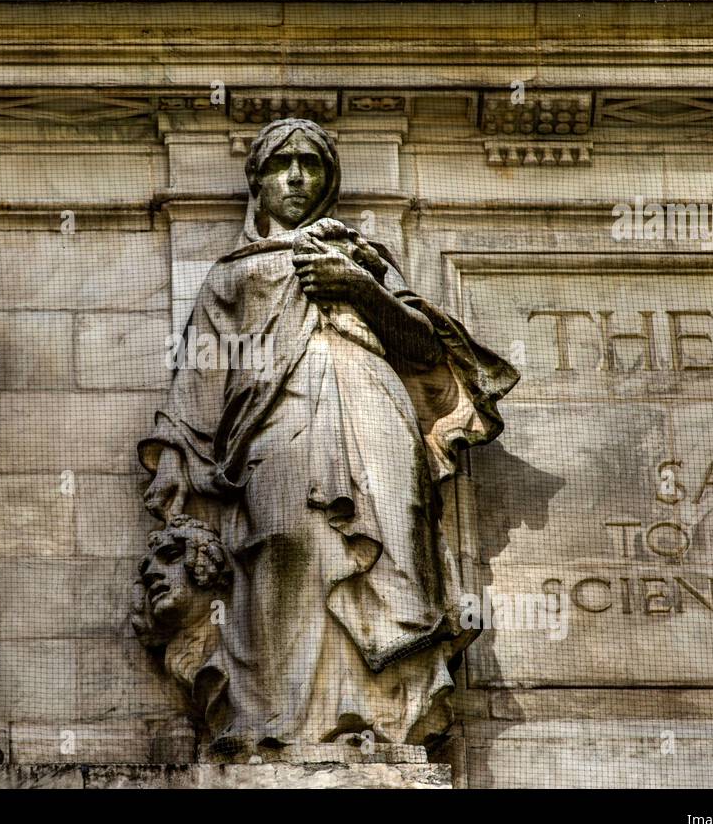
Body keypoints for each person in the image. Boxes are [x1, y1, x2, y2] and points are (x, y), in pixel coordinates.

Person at [138, 118, 517, 751]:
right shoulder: (230, 277)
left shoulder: (359, 256)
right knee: (285, 546)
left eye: (310, 165)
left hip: (373, 408)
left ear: (328, 182)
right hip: (276, 425)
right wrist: (175, 455)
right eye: (281, 165)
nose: (295, 177)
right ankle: (283, 729)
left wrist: (363, 293)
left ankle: (383, 716)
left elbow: (424, 349)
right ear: (257, 181)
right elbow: (198, 381)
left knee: (394, 534)